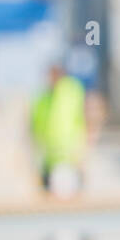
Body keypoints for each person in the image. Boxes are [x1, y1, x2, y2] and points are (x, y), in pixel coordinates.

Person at [30, 62, 88, 198]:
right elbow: (35, 133)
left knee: (72, 200)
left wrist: (82, 157)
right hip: (49, 161)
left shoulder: (72, 93)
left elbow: (82, 123)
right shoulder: (41, 99)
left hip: (70, 160)